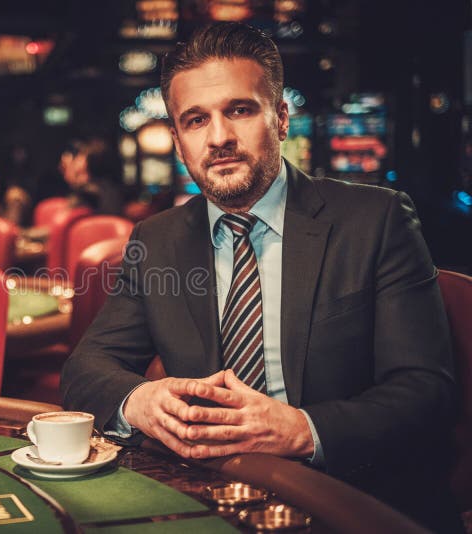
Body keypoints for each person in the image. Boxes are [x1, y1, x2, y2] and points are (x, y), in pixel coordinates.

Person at [60, 22, 459, 531]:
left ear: (282, 118)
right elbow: (86, 367)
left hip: (351, 497)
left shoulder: (376, 220)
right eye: (197, 120)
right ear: (179, 141)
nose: (220, 137)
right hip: (209, 499)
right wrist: (139, 400)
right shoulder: (155, 240)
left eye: (240, 110)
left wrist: (301, 429)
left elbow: (427, 391)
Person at [65, 137, 124, 216]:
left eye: (81, 156)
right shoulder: (109, 188)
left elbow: (69, 215)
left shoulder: (89, 193)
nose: (77, 164)